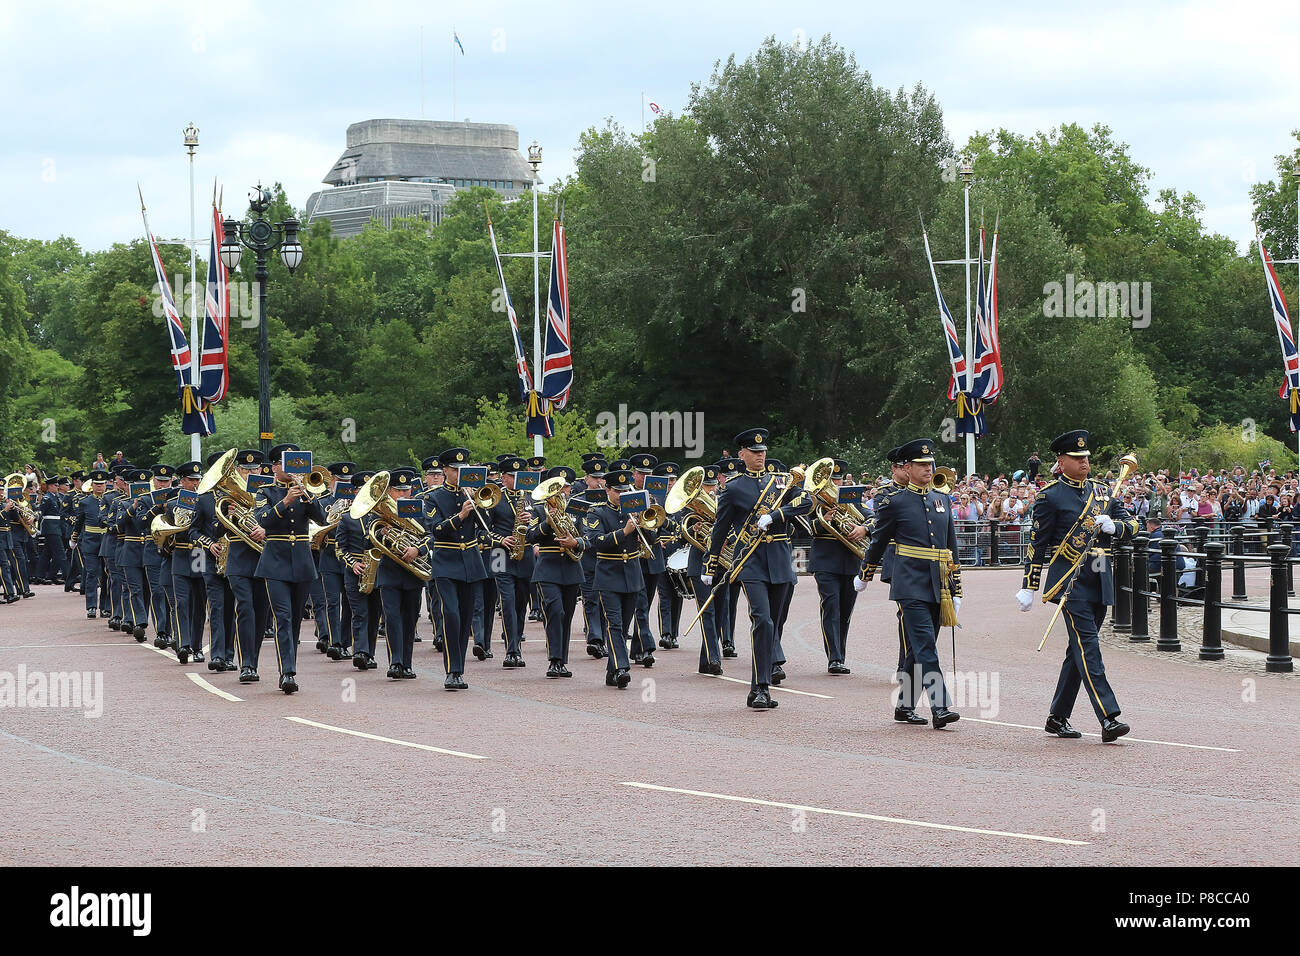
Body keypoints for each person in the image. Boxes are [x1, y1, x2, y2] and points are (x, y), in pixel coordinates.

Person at [1015, 429, 1137, 743]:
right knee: (1089, 647)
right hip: (1070, 582)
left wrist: (1115, 525)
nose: (1084, 462)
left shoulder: (1103, 491)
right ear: (1061, 460)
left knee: (1078, 651)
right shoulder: (1050, 495)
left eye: (1086, 457)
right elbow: (1036, 545)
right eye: (1077, 458)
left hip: (1100, 576)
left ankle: (1057, 717)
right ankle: (1109, 717)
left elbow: (1132, 524)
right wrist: (1029, 585)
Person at [856, 439, 962, 728]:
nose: (929, 468)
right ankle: (940, 707)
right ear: (907, 468)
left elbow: (950, 546)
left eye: (930, 464)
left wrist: (957, 588)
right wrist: (866, 572)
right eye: (922, 464)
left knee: (918, 649)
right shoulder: (895, 501)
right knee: (926, 645)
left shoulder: (942, 499)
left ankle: (904, 706)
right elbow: (878, 541)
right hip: (909, 582)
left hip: (937, 582)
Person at [703, 428, 813, 709]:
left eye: (763, 451)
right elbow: (720, 528)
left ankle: (761, 685)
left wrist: (776, 514)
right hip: (751, 561)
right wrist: (711, 562)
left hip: (780, 559)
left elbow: (806, 501)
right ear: (742, 455)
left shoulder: (780, 482)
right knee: (762, 620)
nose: (760, 455)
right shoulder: (734, 488)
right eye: (754, 451)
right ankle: (760, 687)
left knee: (774, 625)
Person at [252, 443, 329, 694]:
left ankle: (289, 666)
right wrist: (285, 500)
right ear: (275, 467)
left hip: (302, 561)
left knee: (295, 620)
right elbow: (263, 520)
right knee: (283, 618)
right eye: (287, 463)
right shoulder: (266, 492)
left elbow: (322, 520)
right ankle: (287, 672)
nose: (294, 469)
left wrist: (308, 495)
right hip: (275, 562)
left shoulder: (306, 492)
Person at [424, 448, 490, 690]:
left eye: (462, 469)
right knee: (451, 615)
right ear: (445, 471)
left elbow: (487, 526)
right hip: (446, 562)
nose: (458, 473)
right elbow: (436, 529)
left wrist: (479, 503)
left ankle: (459, 670)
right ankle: (451, 670)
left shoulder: (474, 495)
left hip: (471, 562)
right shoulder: (434, 497)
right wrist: (461, 514)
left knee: (464, 619)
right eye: (454, 469)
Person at [809, 458, 868, 674]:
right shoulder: (815, 501)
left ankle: (840, 655)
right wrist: (823, 520)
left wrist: (863, 529)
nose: (835, 484)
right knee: (831, 607)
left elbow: (871, 518)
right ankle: (834, 658)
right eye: (831, 480)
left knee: (845, 612)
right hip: (825, 561)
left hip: (850, 562)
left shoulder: (852, 498)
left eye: (838, 480)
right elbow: (805, 527)